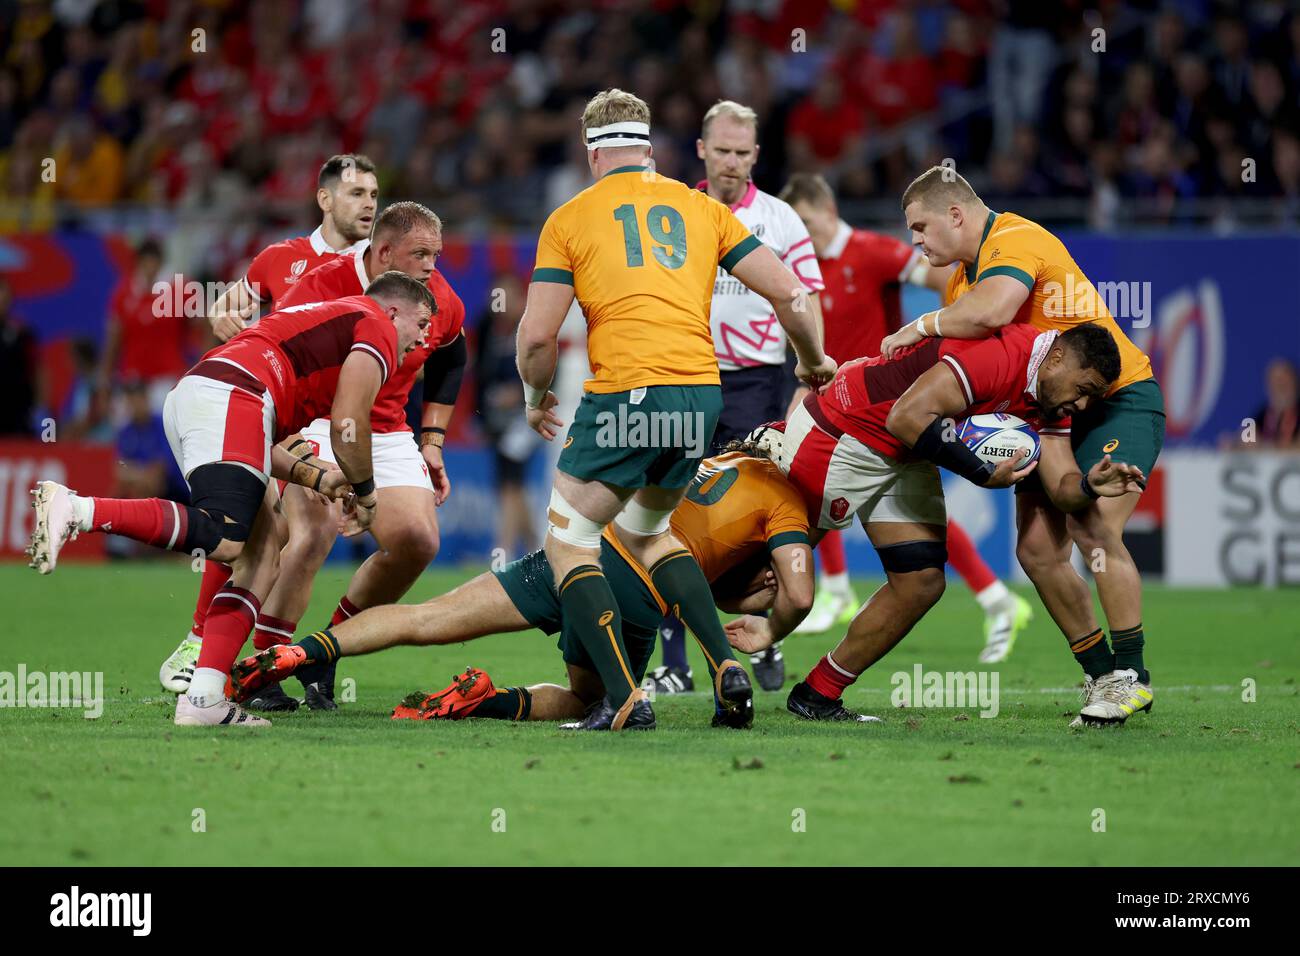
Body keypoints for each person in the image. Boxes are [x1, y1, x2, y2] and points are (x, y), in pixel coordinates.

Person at [516, 88, 835, 730]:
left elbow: (536, 337)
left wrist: (533, 395)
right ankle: (724, 667)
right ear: (650, 148)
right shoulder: (700, 208)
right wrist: (813, 360)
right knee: (648, 533)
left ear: (590, 151)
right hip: (700, 395)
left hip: (626, 394)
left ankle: (624, 699)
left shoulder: (570, 218)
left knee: (569, 542)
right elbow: (793, 292)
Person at [28, 272, 434, 728]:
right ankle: (79, 509)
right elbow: (349, 424)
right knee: (225, 536)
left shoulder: (327, 329)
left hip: (214, 395)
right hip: (234, 394)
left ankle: (203, 699)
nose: (424, 339)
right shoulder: (374, 321)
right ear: (394, 310)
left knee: (262, 554)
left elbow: (268, 445)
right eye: (421, 324)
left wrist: (321, 478)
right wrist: (366, 495)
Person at [226, 443, 815, 725]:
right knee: (589, 698)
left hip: (579, 552)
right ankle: (489, 702)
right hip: (636, 595)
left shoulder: (722, 461)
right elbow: (790, 592)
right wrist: (768, 619)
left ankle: (302, 651)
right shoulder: (786, 505)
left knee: (425, 618)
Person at [881, 166, 1166, 726]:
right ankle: (1102, 675)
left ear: (955, 214)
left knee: (1093, 527)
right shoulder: (962, 283)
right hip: (1047, 414)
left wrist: (920, 326)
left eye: (920, 226)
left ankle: (1132, 676)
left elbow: (993, 312)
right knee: (1036, 551)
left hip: (1116, 397)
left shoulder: (1015, 239)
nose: (915, 241)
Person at [747, 322, 1143, 722]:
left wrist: (1090, 486)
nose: (1083, 405)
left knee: (921, 581)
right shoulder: (1002, 358)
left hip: (903, 450)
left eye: (1092, 397)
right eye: (1084, 389)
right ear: (1057, 358)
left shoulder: (1048, 398)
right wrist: (981, 472)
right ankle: (699, 617)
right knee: (760, 575)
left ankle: (817, 694)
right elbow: (905, 416)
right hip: (846, 431)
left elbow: (1061, 487)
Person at [781, 172, 1033, 663]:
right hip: (839, 401)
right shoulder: (803, 267)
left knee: (877, 512)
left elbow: (941, 275)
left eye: (808, 222)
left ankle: (989, 596)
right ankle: (837, 589)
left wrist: (951, 342)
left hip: (889, 404)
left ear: (829, 213)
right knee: (821, 493)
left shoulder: (872, 251)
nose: (803, 234)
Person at [157, 153, 376, 697]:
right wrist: (220, 315)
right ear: (324, 199)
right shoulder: (282, 258)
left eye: (374, 194)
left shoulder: (381, 266)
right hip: (280, 408)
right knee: (288, 527)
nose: (369, 203)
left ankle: (255, 659)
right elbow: (226, 311)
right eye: (356, 194)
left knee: (291, 533)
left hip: (340, 410)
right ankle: (221, 649)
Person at [238, 200, 466, 712]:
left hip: (384, 429)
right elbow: (276, 352)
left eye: (437, 254)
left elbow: (453, 356)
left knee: (418, 540)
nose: (432, 265)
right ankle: (265, 663)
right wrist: (285, 437)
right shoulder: (322, 283)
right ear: (383, 252)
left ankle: (325, 650)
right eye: (420, 254)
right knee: (314, 530)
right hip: (315, 418)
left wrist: (432, 440)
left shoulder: (442, 298)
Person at [650, 99, 825, 696]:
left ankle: (764, 633)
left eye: (741, 152)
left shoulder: (780, 221)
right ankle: (674, 662)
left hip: (756, 384)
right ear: (700, 149)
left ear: (757, 154)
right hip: (684, 378)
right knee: (667, 516)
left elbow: (803, 299)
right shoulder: (673, 215)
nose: (730, 162)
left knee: (752, 523)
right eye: (720, 150)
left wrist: (810, 373)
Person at [475, 272, 540, 559]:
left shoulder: (530, 328)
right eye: (495, 298)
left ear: (520, 299)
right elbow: (477, 374)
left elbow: (546, 368)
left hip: (526, 417)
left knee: (510, 482)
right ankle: (536, 549)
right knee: (512, 485)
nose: (499, 305)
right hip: (495, 419)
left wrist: (523, 394)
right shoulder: (487, 328)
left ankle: (503, 549)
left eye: (506, 298)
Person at [0, 276, 40, 436]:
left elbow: (38, 370)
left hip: (17, 411)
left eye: (5, 297)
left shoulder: (22, 334)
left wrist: (42, 407)